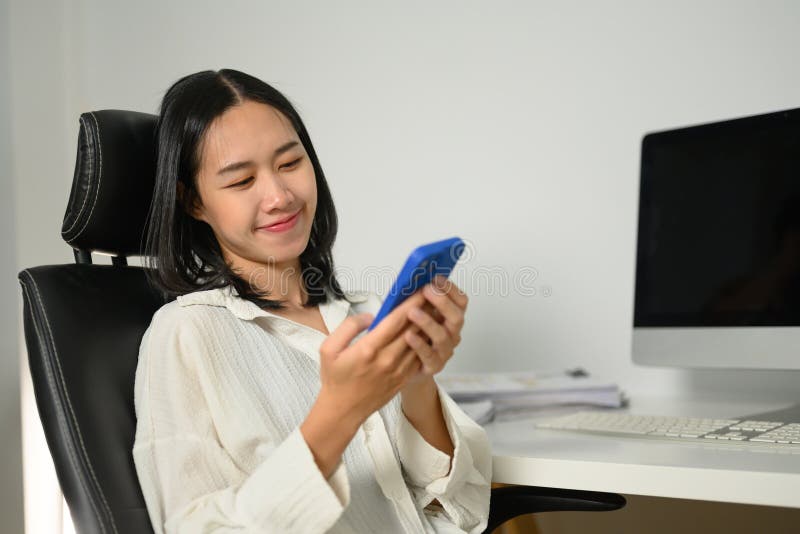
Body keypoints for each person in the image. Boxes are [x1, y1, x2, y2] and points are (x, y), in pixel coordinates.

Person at [132, 69, 492, 534]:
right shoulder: (185, 336)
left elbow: (460, 507)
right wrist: (339, 412)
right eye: (241, 181)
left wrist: (415, 380)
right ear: (194, 203)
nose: (280, 196)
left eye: (289, 163)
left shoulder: (366, 313)